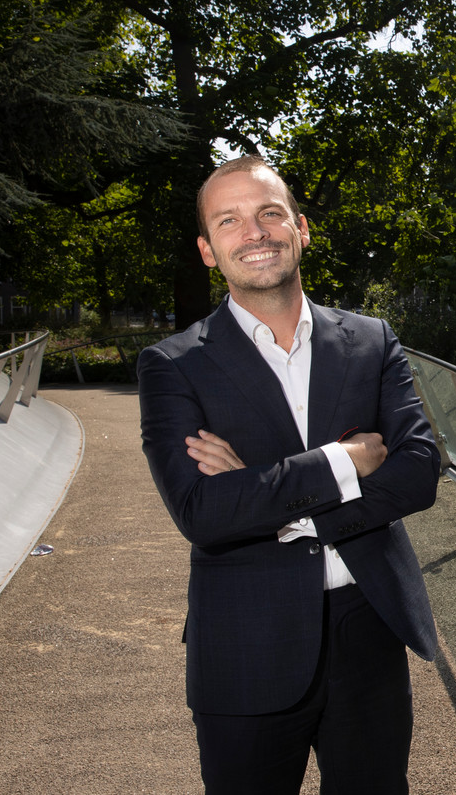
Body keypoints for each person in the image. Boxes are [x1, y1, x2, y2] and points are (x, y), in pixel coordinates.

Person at [137, 155, 439, 794]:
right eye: (229, 221)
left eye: (270, 213)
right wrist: (342, 463)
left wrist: (267, 497)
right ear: (208, 251)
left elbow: (417, 473)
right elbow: (203, 513)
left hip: (369, 629)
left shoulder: (371, 340)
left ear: (300, 229)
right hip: (246, 641)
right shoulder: (173, 365)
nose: (255, 232)